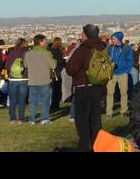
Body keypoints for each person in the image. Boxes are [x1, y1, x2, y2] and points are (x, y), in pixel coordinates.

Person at [65, 24, 109, 152]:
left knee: (82, 120)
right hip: (98, 87)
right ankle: (97, 144)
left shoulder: (82, 50)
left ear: (86, 34)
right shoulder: (102, 48)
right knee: (96, 119)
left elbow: (70, 69)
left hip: (83, 88)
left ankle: (85, 146)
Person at [25, 34, 57, 125]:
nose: (46, 43)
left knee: (33, 101)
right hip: (44, 80)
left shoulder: (28, 53)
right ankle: (44, 118)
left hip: (32, 80)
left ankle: (32, 119)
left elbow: (26, 65)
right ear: (41, 42)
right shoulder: (46, 53)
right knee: (45, 101)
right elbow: (53, 65)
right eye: (45, 41)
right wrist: (55, 60)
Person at [105, 31, 133, 117]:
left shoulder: (126, 48)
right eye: (112, 38)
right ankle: (109, 112)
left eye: (114, 38)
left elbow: (130, 60)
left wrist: (126, 71)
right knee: (110, 93)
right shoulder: (110, 48)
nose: (112, 40)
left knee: (124, 93)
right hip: (112, 73)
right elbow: (105, 58)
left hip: (122, 73)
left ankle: (124, 110)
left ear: (119, 39)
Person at [4, 37, 29, 124]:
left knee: (12, 100)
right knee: (22, 100)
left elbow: (7, 66)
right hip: (24, 78)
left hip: (13, 78)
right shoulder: (27, 53)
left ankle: (12, 118)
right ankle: (21, 119)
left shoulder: (12, 53)